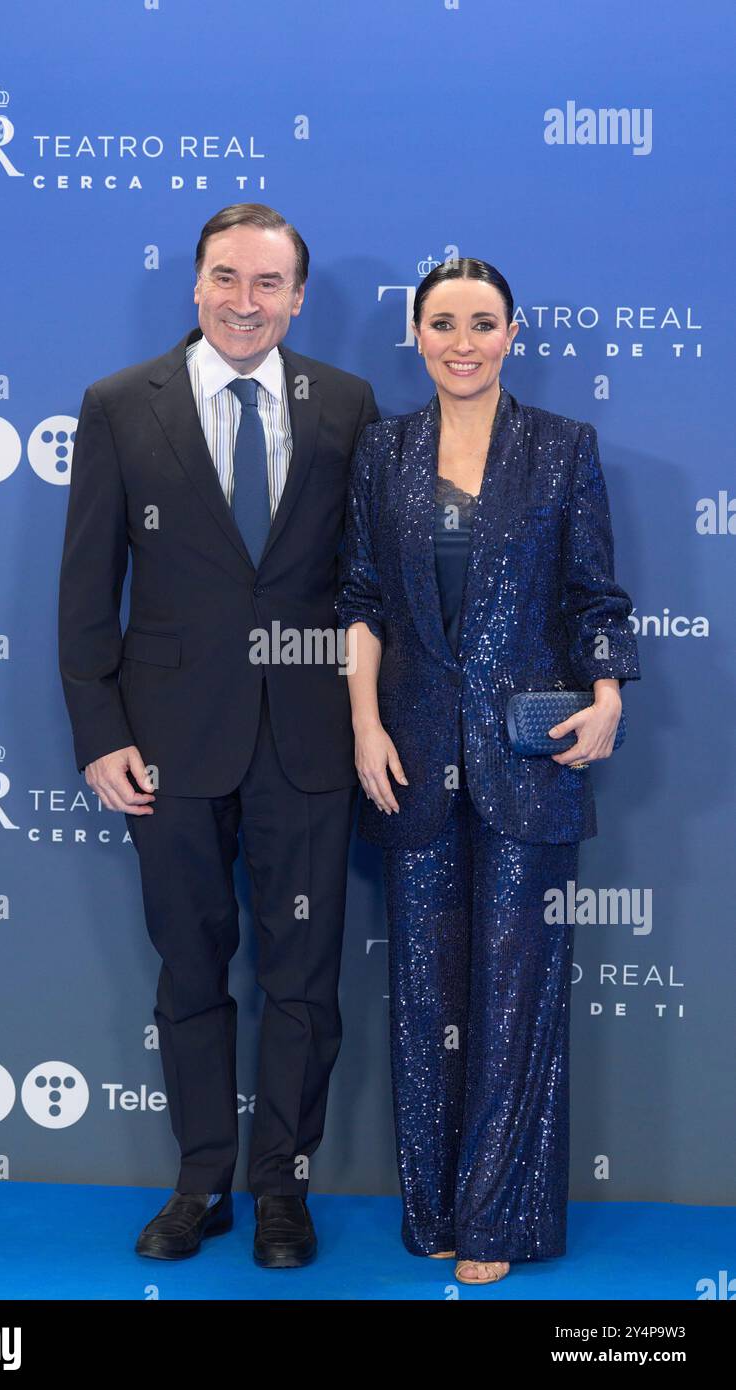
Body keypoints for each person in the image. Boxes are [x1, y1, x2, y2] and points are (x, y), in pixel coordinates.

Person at [58, 203, 379, 1268]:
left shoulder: (345, 403)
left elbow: (360, 582)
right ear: (194, 284)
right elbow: (86, 586)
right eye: (227, 278)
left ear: (297, 296)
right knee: (189, 973)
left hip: (307, 740)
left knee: (302, 978)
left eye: (269, 284)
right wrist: (98, 730)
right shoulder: (118, 405)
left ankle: (282, 1190)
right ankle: (199, 1183)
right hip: (167, 746)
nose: (246, 302)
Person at [336, 257, 640, 1286]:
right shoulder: (381, 451)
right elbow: (362, 600)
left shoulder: (561, 450)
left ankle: (496, 1219)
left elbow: (596, 595)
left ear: (512, 333)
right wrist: (363, 724)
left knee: (513, 994)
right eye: (440, 323)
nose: (460, 342)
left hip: (528, 757)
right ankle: (431, 1209)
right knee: (424, 993)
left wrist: (606, 699)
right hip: (411, 757)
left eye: (480, 323)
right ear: (415, 336)